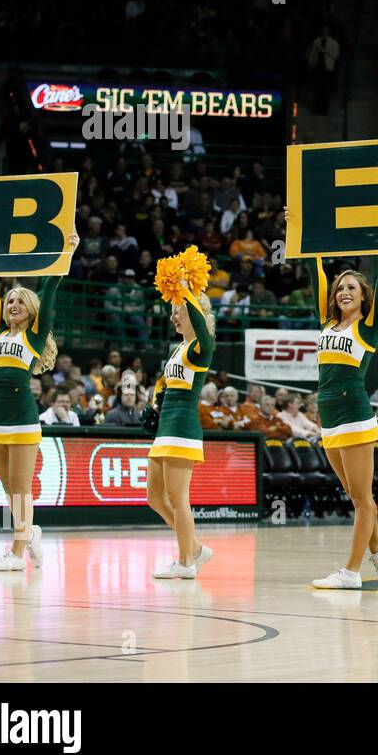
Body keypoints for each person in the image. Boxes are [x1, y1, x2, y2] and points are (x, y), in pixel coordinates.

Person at [283, 206, 378, 589]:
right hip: (330, 419)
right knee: (355, 495)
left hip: (356, 417)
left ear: (363, 297)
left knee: (362, 499)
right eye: (340, 287)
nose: (343, 292)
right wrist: (299, 226)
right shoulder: (326, 323)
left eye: (351, 288)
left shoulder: (369, 328)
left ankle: (352, 571)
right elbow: (314, 269)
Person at [0, 231, 79, 572]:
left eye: (20, 301)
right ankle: (30, 532)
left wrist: (67, 250)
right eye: (11, 300)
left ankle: (17, 553)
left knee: (20, 486)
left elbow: (48, 289)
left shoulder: (33, 337)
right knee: (7, 486)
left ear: (31, 312)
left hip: (22, 420)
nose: (13, 304)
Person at [145, 247, 217, 579]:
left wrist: (185, 287)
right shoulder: (178, 349)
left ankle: (186, 562)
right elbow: (168, 385)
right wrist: (156, 400)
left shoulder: (202, 347)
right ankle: (196, 549)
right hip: (166, 428)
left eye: (179, 310)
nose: (174, 316)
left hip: (183, 430)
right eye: (173, 310)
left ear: (195, 313)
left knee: (177, 497)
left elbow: (201, 328)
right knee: (155, 497)